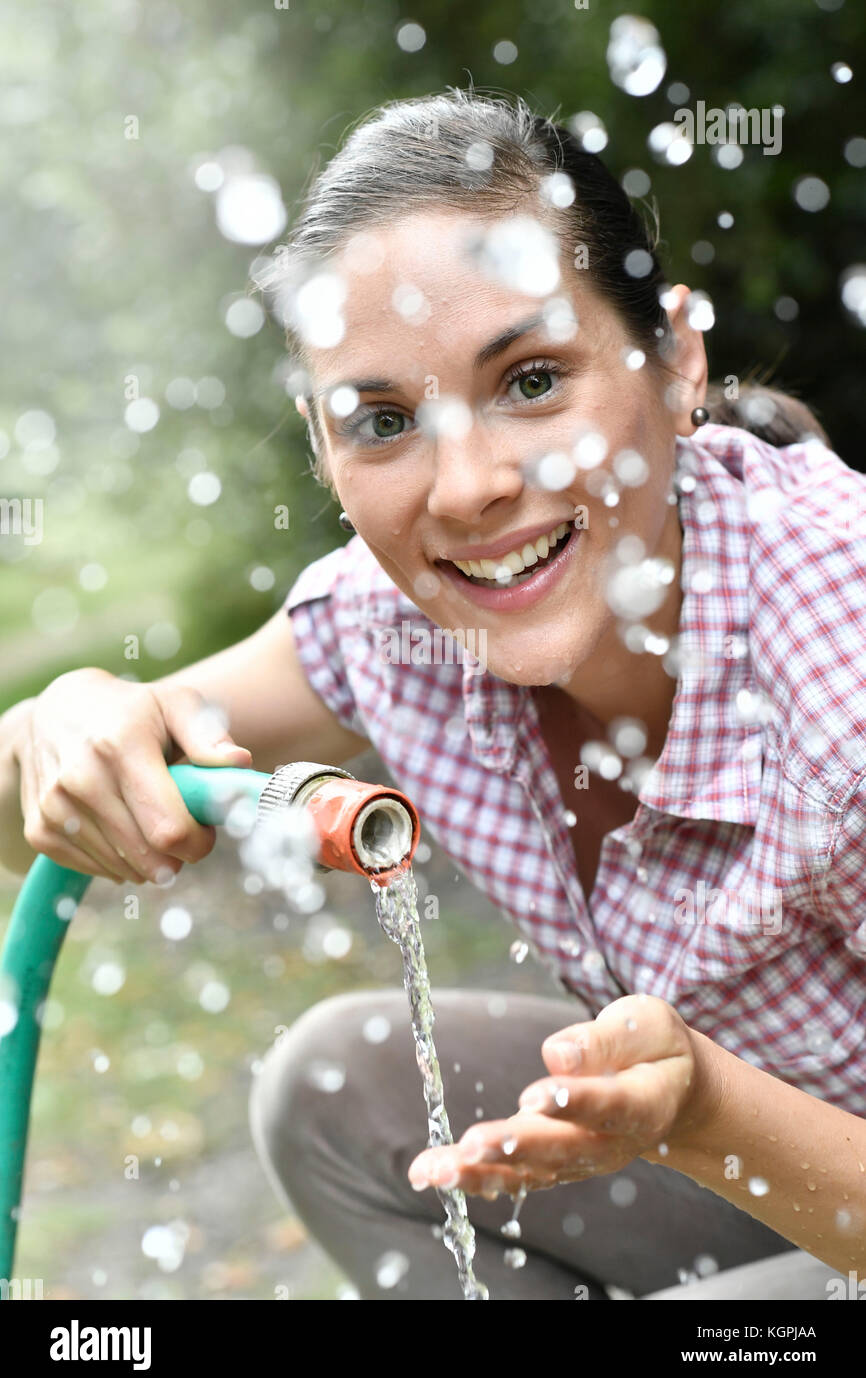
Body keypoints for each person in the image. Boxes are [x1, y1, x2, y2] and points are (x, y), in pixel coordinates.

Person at [1, 88, 863, 1302]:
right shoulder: (396, 621)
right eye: (385, 420)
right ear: (319, 446)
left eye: (529, 381)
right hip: (752, 1180)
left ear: (675, 363)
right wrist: (67, 722)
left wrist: (705, 1106)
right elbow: (33, 809)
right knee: (337, 1089)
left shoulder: (842, 663)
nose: (462, 489)